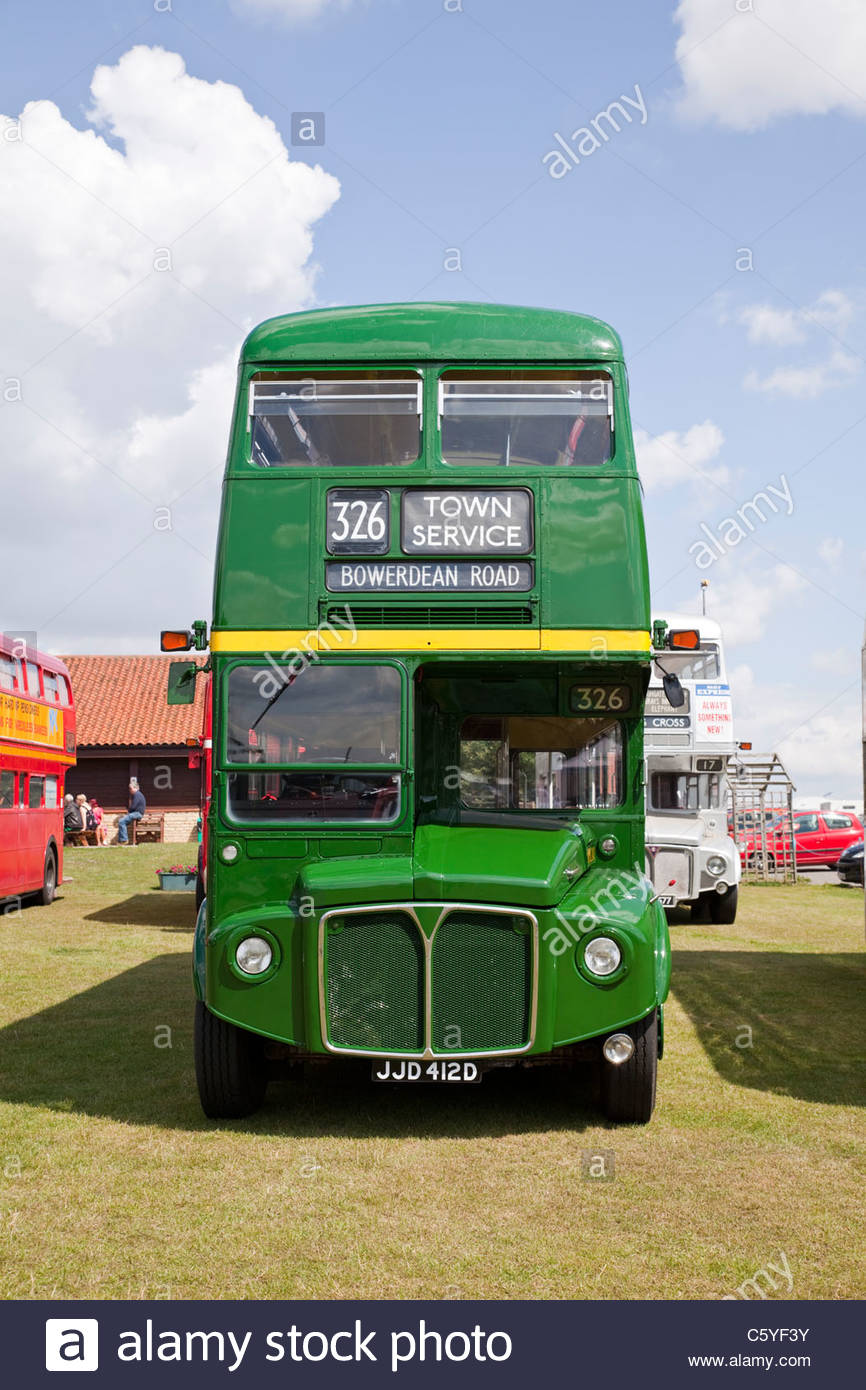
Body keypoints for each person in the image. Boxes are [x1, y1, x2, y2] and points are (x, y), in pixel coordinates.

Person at [117, 778, 146, 845]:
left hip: (137, 813)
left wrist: (128, 812)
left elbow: (133, 806)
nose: (129, 790)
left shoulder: (137, 795)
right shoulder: (139, 794)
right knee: (123, 822)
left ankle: (124, 840)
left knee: (121, 821)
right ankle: (121, 840)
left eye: (130, 788)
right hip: (137, 813)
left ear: (135, 788)